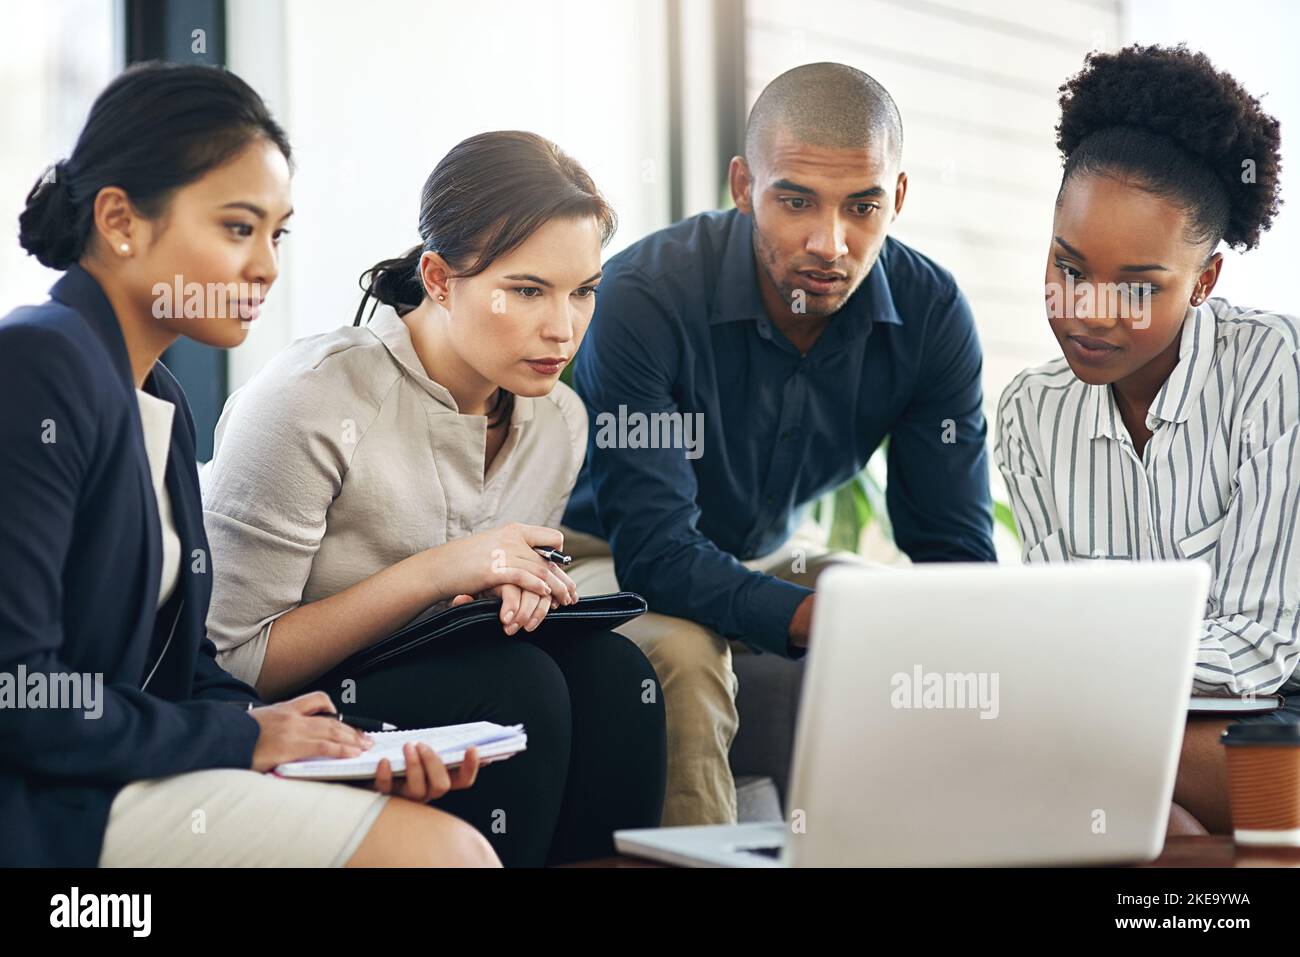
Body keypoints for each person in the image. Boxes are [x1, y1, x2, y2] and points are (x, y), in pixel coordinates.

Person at [0, 62, 498, 867]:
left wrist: (324, 750)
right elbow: (17, 692)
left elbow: (182, 665)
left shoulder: (155, 391)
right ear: (121, 220)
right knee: (447, 855)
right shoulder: (36, 366)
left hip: (122, 774)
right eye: (238, 228)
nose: (266, 266)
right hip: (46, 804)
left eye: (278, 233)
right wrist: (238, 736)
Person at [201, 131, 666, 866]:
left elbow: (474, 604)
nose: (564, 327)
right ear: (440, 279)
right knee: (518, 686)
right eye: (527, 290)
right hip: (296, 703)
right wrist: (443, 570)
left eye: (583, 292)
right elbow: (234, 660)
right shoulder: (311, 397)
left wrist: (516, 597)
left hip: (448, 675)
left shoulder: (557, 423)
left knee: (618, 676)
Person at [561, 62, 997, 826]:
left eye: (861, 207)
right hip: (594, 553)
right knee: (687, 654)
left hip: (759, 547)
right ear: (742, 186)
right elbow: (657, 556)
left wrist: (947, 634)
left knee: (887, 599)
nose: (830, 243)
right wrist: (821, 617)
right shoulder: (644, 298)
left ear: (896, 198)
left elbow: (951, 551)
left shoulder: (931, 314)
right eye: (795, 201)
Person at [995, 44, 1296, 835]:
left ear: (1203, 282)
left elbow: (1262, 650)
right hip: (1120, 729)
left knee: (1066, 767)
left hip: (1276, 730)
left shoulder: (1275, 371)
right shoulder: (1030, 414)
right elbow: (1059, 625)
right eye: (1067, 265)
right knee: (1139, 814)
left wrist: (1079, 680)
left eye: (1136, 286)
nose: (1089, 311)